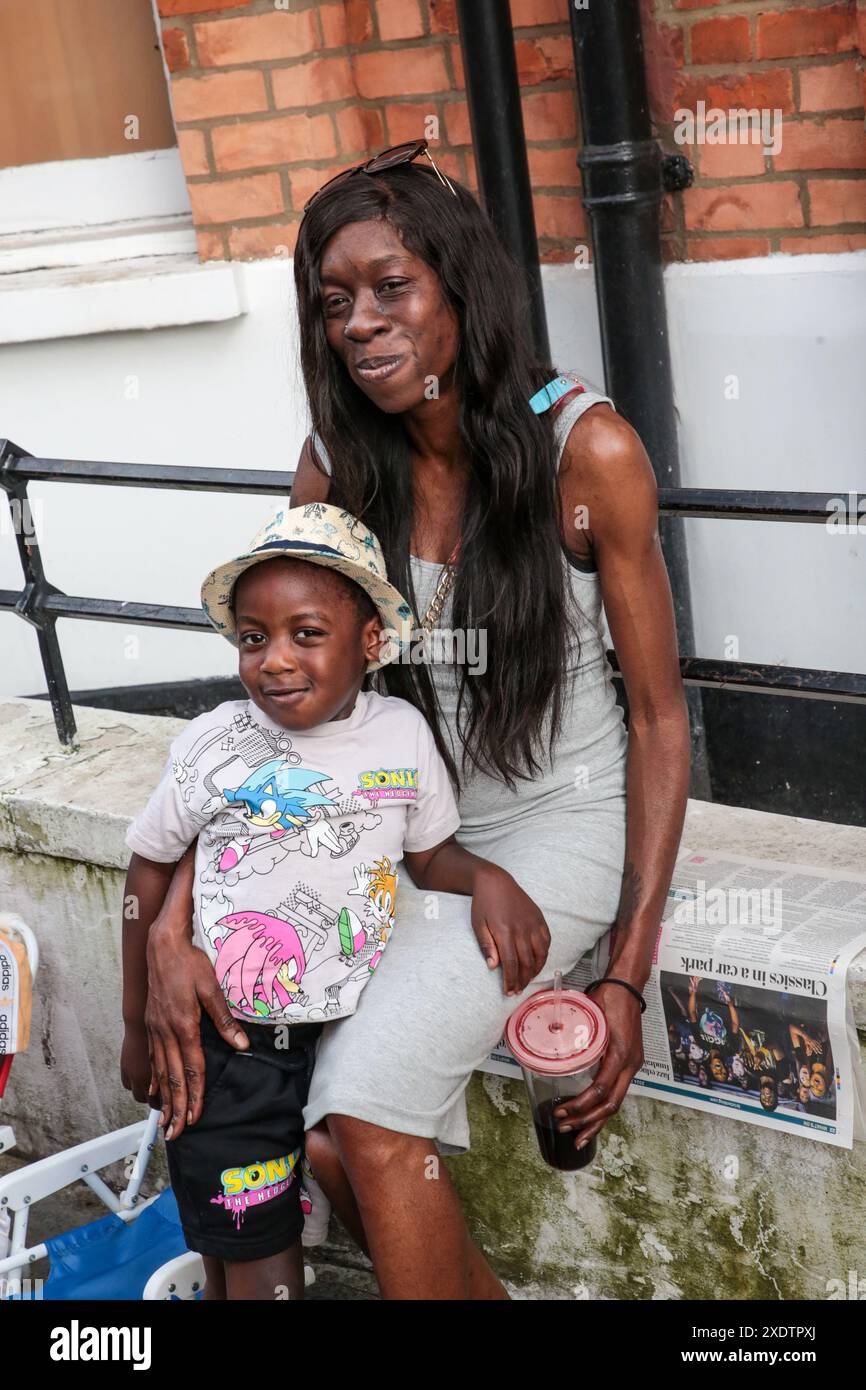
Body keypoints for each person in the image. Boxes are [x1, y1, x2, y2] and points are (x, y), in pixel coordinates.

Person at [142, 141, 690, 1299]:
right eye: (333, 301)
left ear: (458, 285)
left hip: (552, 829)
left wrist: (625, 981)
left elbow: (657, 718)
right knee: (333, 1137)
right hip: (398, 827)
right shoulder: (339, 465)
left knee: (363, 1116)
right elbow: (270, 725)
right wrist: (170, 924)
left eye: (391, 286)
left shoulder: (583, 452)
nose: (358, 323)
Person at [120, 505, 549, 1299]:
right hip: (224, 1052)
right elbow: (148, 871)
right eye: (255, 638)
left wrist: (488, 878)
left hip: (331, 1043)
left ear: (372, 644)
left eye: (306, 634)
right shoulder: (215, 743)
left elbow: (430, 855)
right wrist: (136, 1020)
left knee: (267, 1239)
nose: (275, 661)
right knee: (259, 1269)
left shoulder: (401, 736)